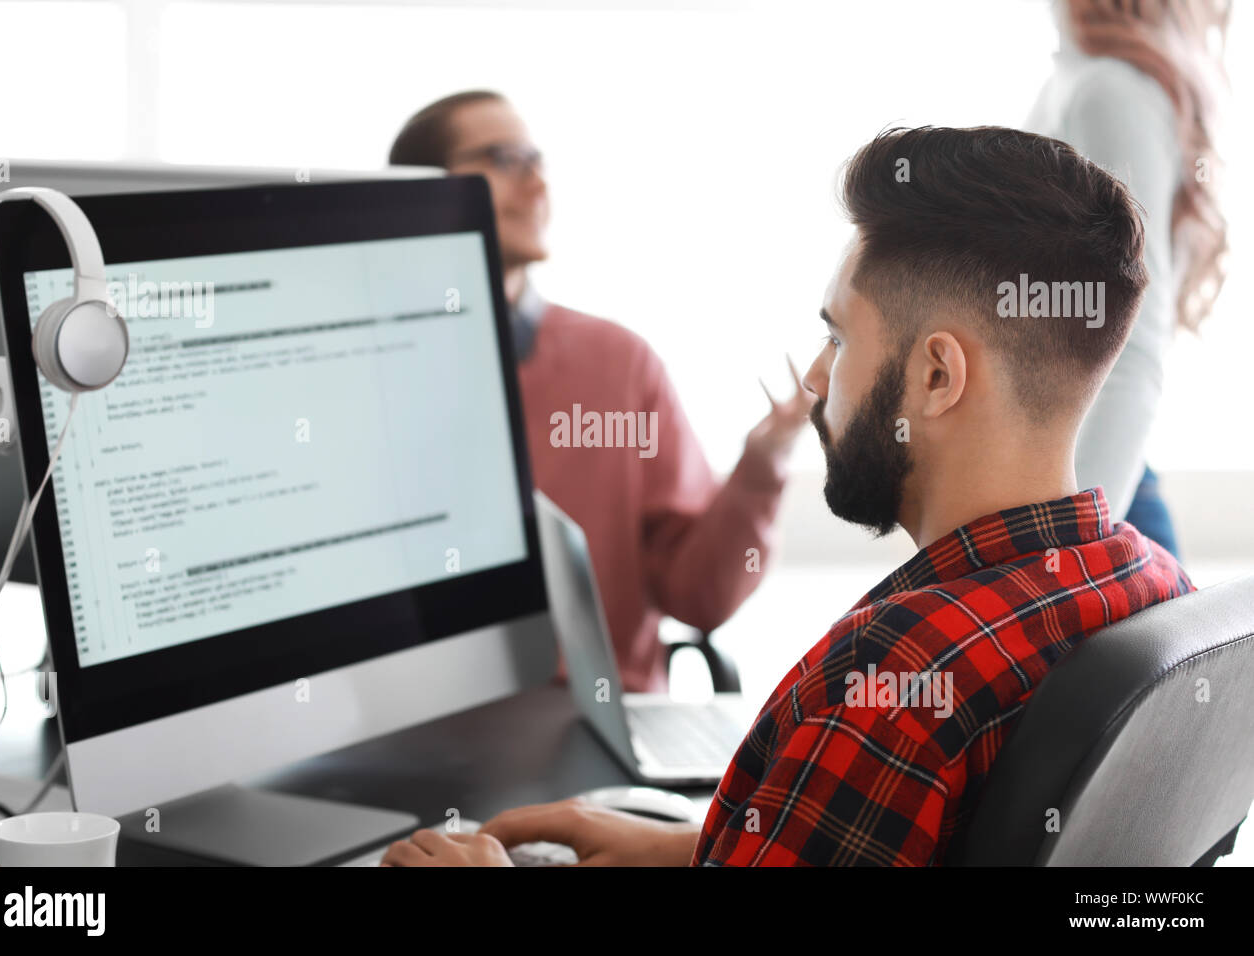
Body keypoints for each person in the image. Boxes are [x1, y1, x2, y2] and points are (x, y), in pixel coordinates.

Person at [380, 126, 1194, 867]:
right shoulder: (1153, 588)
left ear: (937, 376)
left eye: (838, 338)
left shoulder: (901, 675)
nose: (814, 379)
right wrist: (697, 850)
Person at [389, 92, 815, 693]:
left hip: (589, 723)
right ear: (423, 191)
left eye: (537, 160)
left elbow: (699, 600)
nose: (537, 183)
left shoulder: (619, 364)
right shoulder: (366, 361)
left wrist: (761, 467)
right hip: (402, 721)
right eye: (503, 158)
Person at [1028, 0, 1231, 556]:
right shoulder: (1073, 83)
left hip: (1095, 488)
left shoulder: (1109, 92)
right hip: (1081, 478)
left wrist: (1068, 552)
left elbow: (1131, 337)